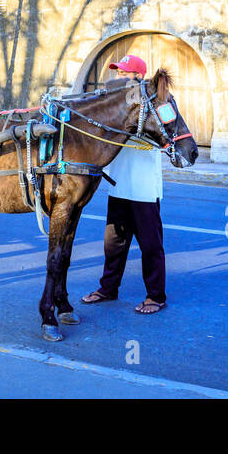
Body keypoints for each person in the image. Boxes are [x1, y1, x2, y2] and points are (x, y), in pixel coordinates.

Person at [80, 54, 168, 314]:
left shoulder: (155, 103)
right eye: (117, 72)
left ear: (139, 77)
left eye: (124, 73)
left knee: (150, 244)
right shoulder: (114, 106)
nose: (119, 77)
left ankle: (156, 296)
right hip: (118, 184)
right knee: (113, 244)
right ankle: (108, 289)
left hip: (143, 188)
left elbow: (166, 134)